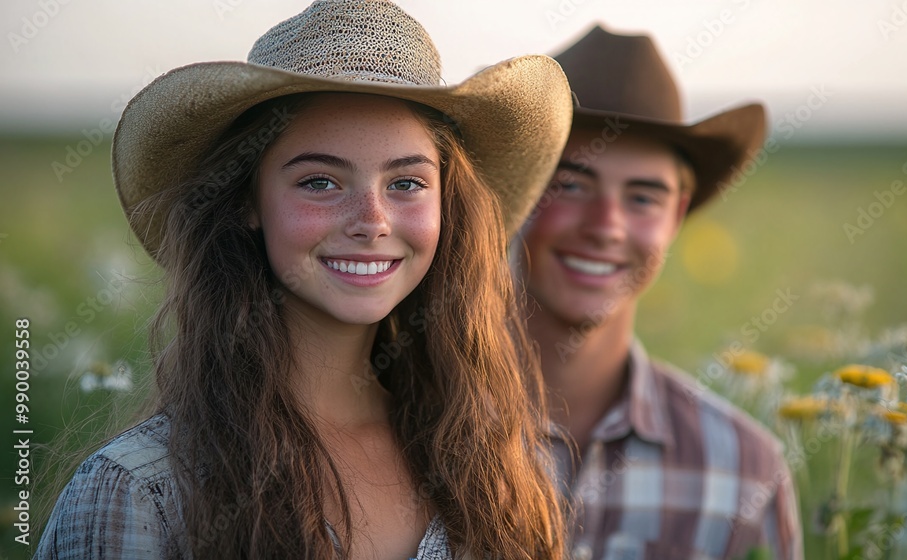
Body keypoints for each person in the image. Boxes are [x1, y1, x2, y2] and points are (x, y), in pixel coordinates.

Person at [34, 1, 573, 558]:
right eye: (319, 181)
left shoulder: (499, 471)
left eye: (407, 183)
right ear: (248, 201)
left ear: (447, 202)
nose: (372, 221)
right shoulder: (141, 492)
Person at [512, 26, 803, 560]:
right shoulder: (398, 428)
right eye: (571, 185)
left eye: (643, 197)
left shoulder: (742, 470)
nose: (607, 226)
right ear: (508, 189)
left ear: (677, 215)